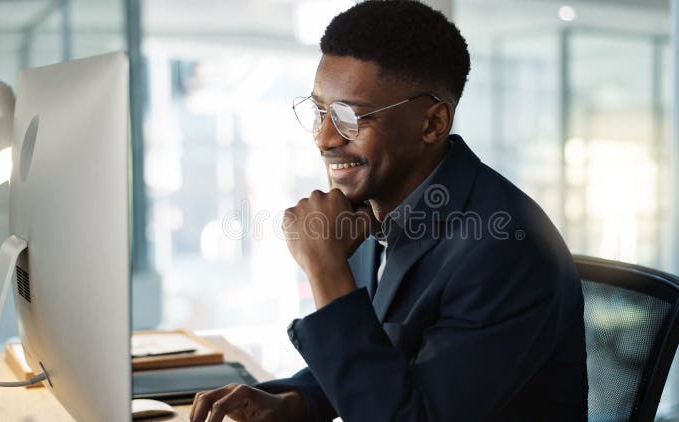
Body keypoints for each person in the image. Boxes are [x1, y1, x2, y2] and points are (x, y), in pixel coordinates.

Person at [190, 1, 587, 421]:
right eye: (320, 111)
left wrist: (326, 270)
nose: (324, 138)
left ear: (433, 123)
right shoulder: (374, 204)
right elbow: (385, 356)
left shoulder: (503, 248)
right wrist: (298, 401)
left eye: (349, 116)